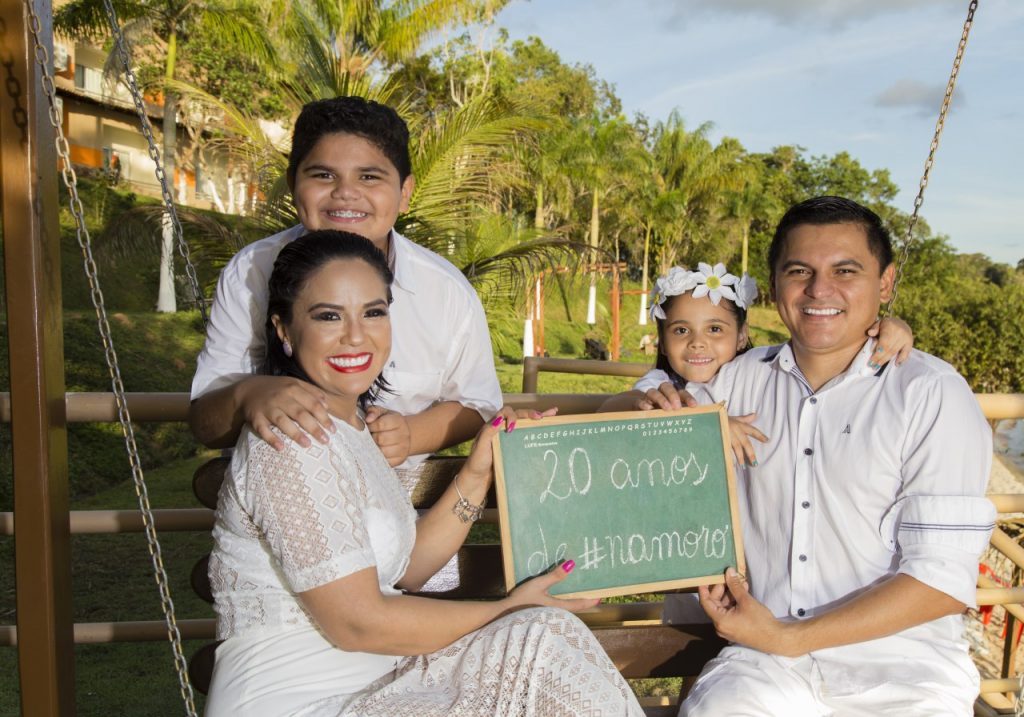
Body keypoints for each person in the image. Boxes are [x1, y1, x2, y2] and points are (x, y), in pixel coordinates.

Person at [205, 229, 644, 716]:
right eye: (329, 315)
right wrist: (508, 609)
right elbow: (357, 623)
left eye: (373, 312)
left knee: (543, 640)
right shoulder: (292, 438)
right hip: (301, 698)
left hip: (378, 679)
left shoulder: (354, 427)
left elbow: (407, 568)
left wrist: (478, 470)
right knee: (537, 641)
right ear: (284, 330)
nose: (356, 335)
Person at [675, 197, 995, 716]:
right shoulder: (734, 379)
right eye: (800, 271)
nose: (820, 290)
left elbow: (940, 581)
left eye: (845, 271)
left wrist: (790, 636)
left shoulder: (930, 393)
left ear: (885, 284)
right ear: (776, 285)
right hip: (765, 669)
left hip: (902, 673)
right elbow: (645, 433)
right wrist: (650, 404)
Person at [188, 96, 501, 472]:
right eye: (323, 175)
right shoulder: (250, 273)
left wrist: (411, 434)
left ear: (405, 192)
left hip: (409, 517)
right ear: (292, 183)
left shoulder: (446, 291)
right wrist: (249, 394)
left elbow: (478, 404)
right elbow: (206, 421)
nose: (346, 192)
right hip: (282, 509)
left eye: (369, 177)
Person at [600, 262, 912, 466]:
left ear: (741, 336)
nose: (697, 342)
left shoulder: (763, 372)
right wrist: (708, 425)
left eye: (715, 329)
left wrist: (893, 328)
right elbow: (621, 409)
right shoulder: (662, 384)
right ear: (663, 342)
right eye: (681, 330)